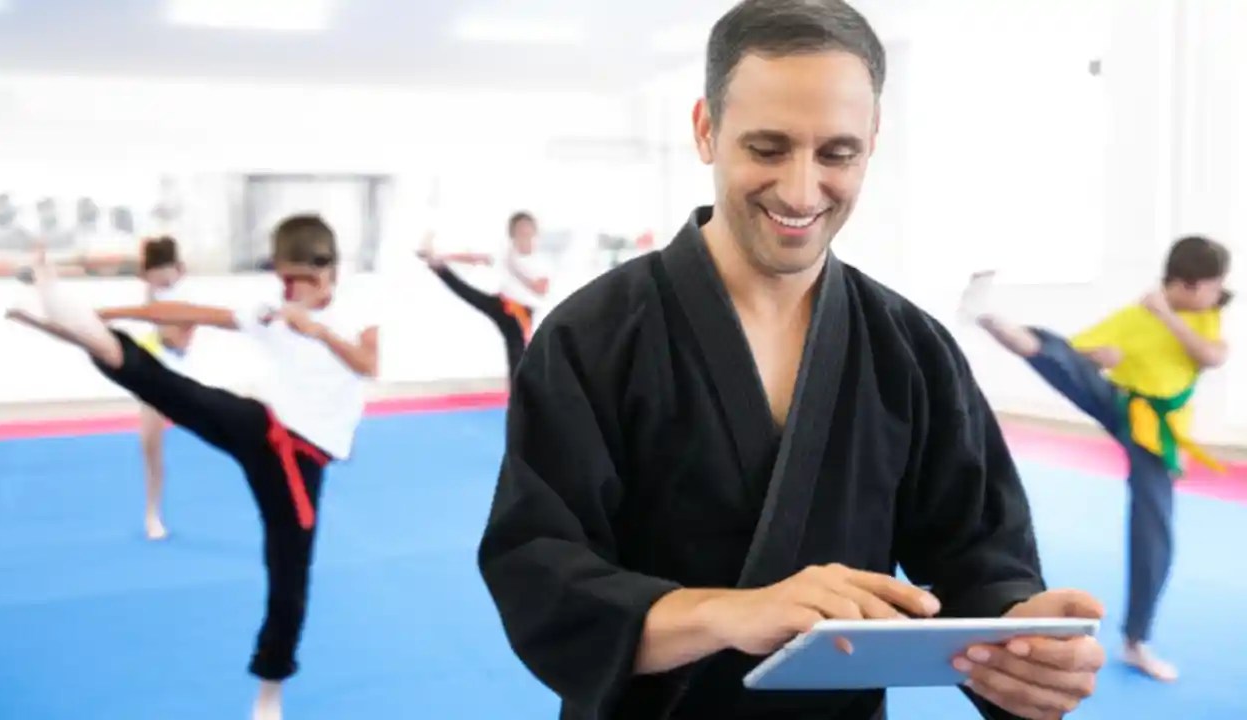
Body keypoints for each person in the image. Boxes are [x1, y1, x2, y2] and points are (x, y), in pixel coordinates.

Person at [475, 2, 1106, 718]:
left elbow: (977, 554)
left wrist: (1019, 639)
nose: (803, 191)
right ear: (707, 130)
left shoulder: (913, 350)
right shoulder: (591, 337)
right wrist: (730, 613)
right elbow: (542, 574)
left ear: (871, 142)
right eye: (768, 148)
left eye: (837, 153)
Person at [6, 214, 378, 720]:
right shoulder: (272, 310)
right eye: (282, 278)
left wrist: (316, 330)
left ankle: (270, 688)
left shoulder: (357, 311)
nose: (288, 289)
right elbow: (193, 312)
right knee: (178, 393)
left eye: (299, 280)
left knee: (289, 580)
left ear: (328, 271)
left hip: (304, 463)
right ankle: (96, 336)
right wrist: (111, 310)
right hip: (263, 427)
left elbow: (367, 364)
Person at [959, 235, 1232, 682]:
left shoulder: (1203, 314)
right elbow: (1075, 351)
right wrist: (1098, 355)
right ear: (1184, 283)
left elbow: (1213, 357)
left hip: (1155, 429)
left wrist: (1165, 315)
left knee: (1154, 529)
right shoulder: (1133, 318)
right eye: (1211, 284)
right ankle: (986, 317)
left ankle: (1135, 638)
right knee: (1055, 354)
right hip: (1123, 403)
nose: (1218, 292)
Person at [416, 211, 550, 379]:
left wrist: (515, 269)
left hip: (520, 314)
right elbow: (475, 258)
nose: (524, 238)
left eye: (527, 233)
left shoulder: (539, 260)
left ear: (534, 234)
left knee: (517, 357)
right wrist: (444, 256)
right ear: (513, 236)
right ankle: (436, 263)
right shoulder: (506, 253)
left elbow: (541, 288)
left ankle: (524, 396)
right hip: (503, 304)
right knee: (468, 293)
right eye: (520, 234)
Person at [134, 236, 196, 540]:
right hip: (156, 380)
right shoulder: (150, 295)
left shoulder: (183, 299)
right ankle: (152, 514)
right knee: (149, 446)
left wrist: (164, 328)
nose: (159, 277)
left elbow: (180, 345)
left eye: (165, 271)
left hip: (183, 379)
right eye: (153, 272)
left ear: (178, 269)